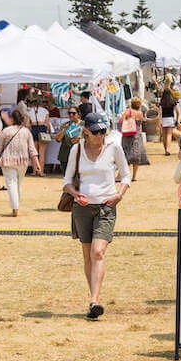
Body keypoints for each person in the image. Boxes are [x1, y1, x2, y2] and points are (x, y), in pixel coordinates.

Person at [62, 113, 131, 320]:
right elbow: (66, 181)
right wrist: (75, 194)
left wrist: (119, 194)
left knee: (98, 252)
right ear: (86, 131)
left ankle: (95, 300)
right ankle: (93, 298)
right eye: (96, 132)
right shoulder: (77, 150)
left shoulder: (114, 147)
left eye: (103, 131)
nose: (100, 135)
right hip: (82, 208)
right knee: (88, 255)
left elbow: (126, 174)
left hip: (106, 206)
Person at [0, 110, 41, 217]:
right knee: (18, 184)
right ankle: (16, 206)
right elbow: (32, 149)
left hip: (8, 161)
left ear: (12, 119)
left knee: (11, 184)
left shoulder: (6, 131)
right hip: (23, 162)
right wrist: (36, 163)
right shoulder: (26, 131)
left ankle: (15, 208)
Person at [118, 97, 149, 180]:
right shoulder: (140, 113)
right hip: (137, 136)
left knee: (126, 154)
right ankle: (134, 176)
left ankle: (123, 175)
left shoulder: (128, 111)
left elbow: (121, 121)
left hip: (127, 135)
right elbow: (142, 121)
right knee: (136, 155)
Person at [56, 106, 84, 177]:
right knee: (67, 177)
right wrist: (64, 130)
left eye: (73, 113)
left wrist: (80, 139)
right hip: (65, 155)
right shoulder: (65, 125)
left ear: (78, 114)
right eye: (69, 113)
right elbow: (58, 139)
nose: (71, 115)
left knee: (79, 177)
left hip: (80, 154)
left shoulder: (83, 125)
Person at [26, 98, 51, 175]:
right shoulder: (45, 111)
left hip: (34, 129)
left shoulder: (30, 111)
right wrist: (49, 131)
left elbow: (27, 124)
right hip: (42, 129)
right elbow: (47, 123)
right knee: (42, 153)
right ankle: (41, 171)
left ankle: (34, 171)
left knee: (34, 153)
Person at [159, 80, 179, 156]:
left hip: (163, 119)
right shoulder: (173, 101)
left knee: (164, 135)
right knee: (169, 135)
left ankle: (165, 149)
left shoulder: (162, 102)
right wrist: (177, 119)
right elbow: (177, 111)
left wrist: (159, 121)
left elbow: (160, 113)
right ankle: (168, 149)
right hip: (170, 118)